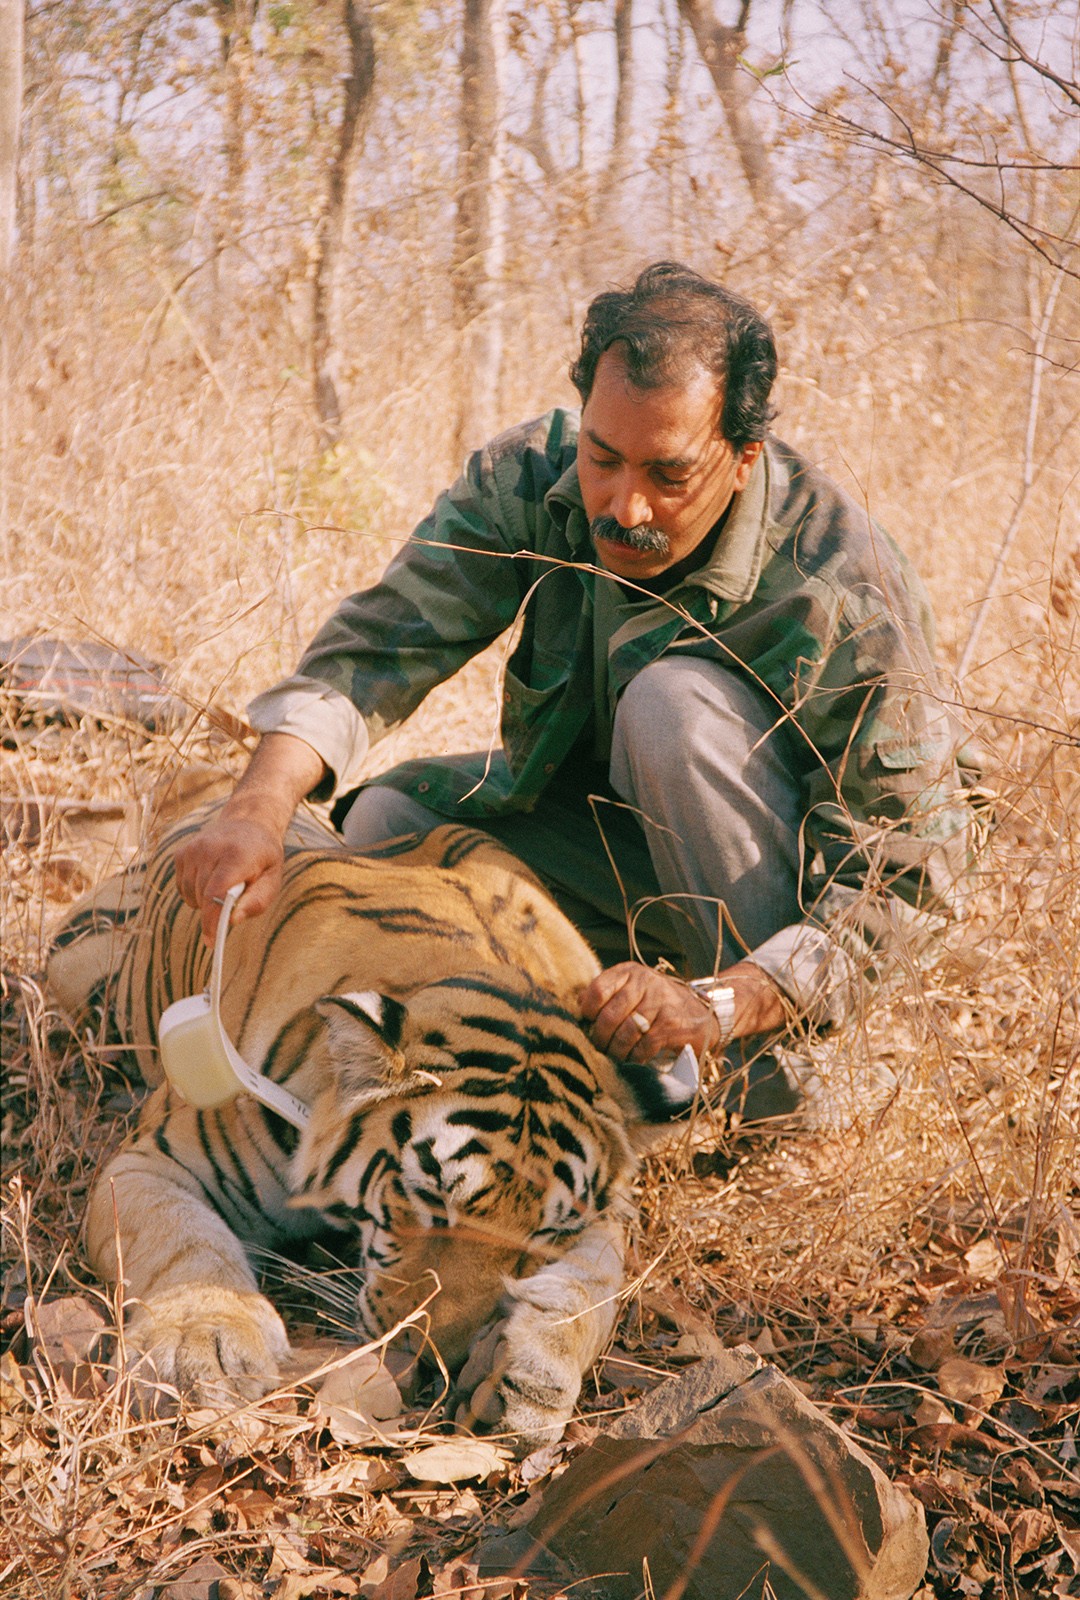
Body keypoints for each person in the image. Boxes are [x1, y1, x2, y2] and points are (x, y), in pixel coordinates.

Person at [176, 261, 972, 1119]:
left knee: (671, 709)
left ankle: (770, 1089)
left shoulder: (841, 582)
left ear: (743, 459)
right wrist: (258, 808)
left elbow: (907, 880)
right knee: (384, 825)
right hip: (609, 859)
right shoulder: (531, 475)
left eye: (669, 476)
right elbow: (378, 646)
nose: (624, 507)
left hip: (768, 929)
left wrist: (722, 1004)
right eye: (603, 458)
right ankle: (527, 1062)